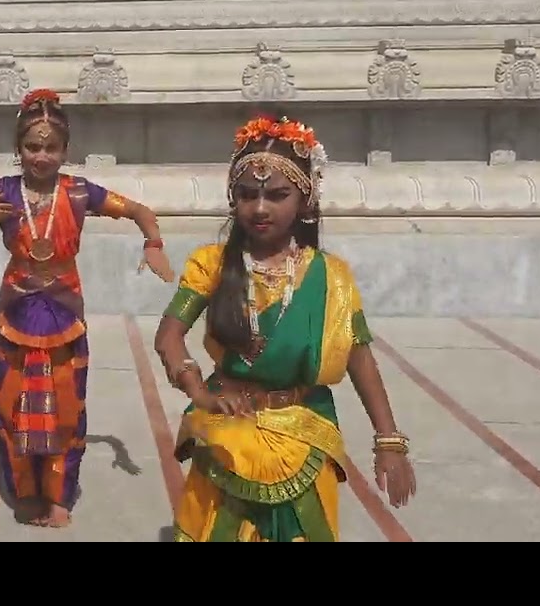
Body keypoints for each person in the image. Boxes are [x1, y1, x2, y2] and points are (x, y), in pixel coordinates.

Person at [153, 114, 417, 542]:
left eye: (277, 195)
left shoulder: (333, 278)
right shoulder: (211, 265)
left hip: (305, 430)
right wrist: (198, 391)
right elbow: (168, 336)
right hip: (227, 430)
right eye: (246, 195)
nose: (259, 208)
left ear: (306, 200)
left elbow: (358, 355)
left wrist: (389, 441)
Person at [0, 88, 176, 528]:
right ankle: (24, 492)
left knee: (67, 404)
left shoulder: (79, 192)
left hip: (64, 308)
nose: (41, 156)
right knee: (13, 403)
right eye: (32, 147)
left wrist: (153, 243)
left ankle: (60, 497)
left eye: (51, 147)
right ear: (18, 149)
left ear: (66, 150)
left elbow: (139, 210)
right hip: (17, 310)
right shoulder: (5, 192)